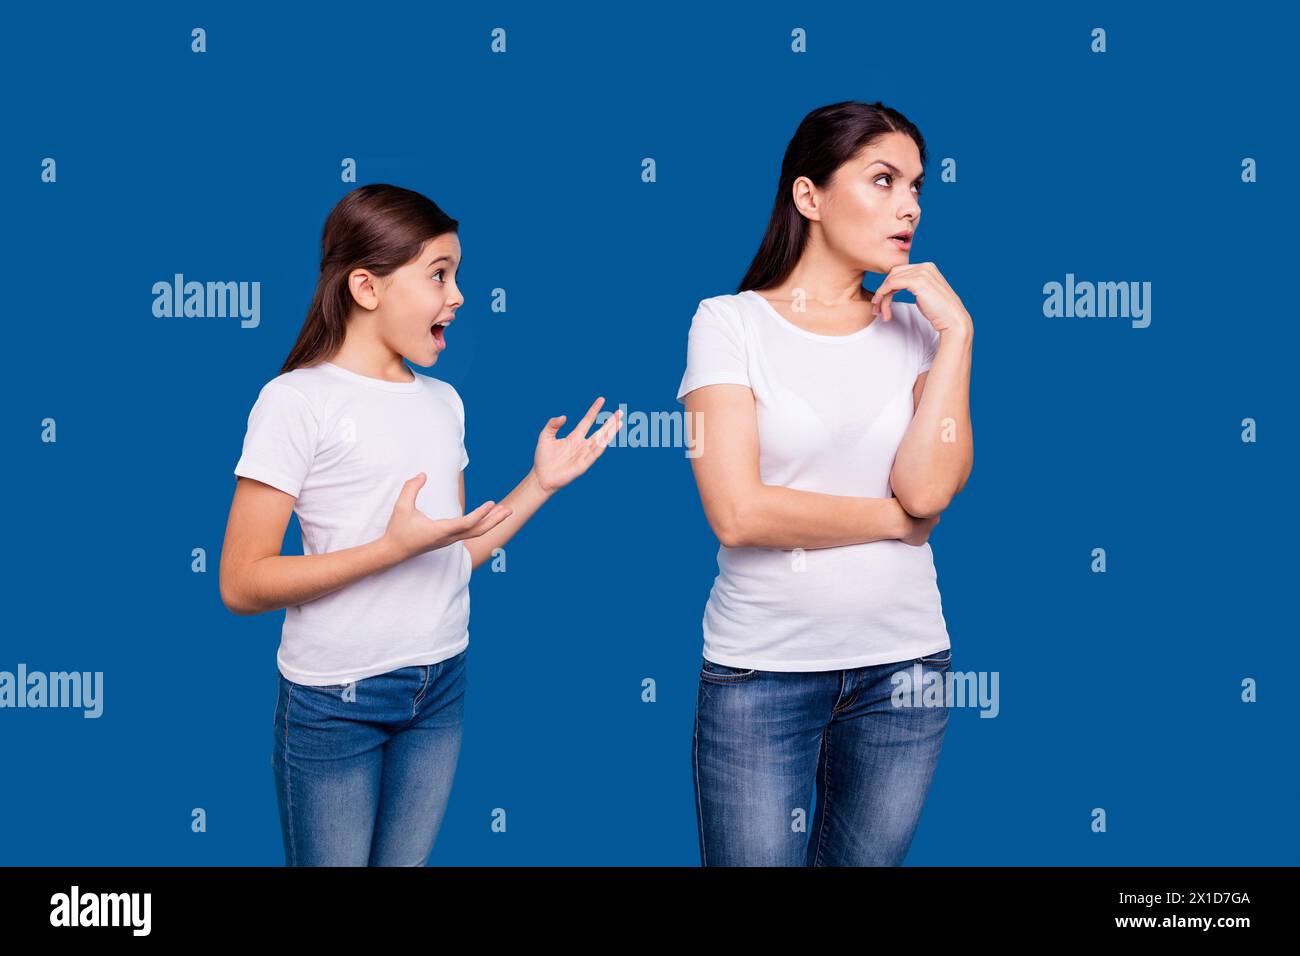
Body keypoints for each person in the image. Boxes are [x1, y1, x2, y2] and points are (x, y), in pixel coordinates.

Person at [219, 184, 622, 866]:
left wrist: (541, 483)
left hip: (439, 684)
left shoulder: (443, 403)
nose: (458, 294)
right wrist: (387, 550)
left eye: (457, 274)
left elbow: (450, 556)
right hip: (335, 701)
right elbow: (241, 583)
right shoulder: (295, 402)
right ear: (367, 288)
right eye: (439, 274)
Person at [676, 101, 974, 866]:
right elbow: (738, 514)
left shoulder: (916, 330)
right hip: (762, 673)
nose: (909, 205)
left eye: (916, 185)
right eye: (883, 180)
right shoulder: (729, 323)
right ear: (809, 196)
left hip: (907, 670)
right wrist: (892, 522)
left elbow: (930, 492)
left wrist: (958, 339)